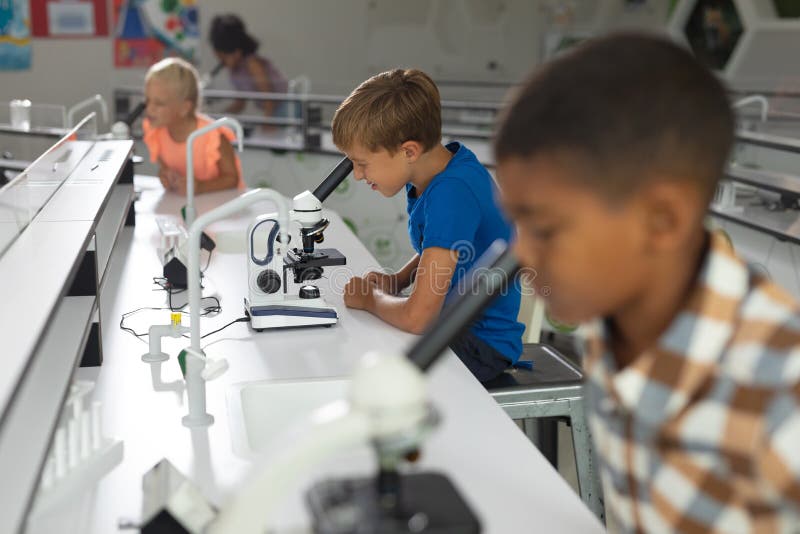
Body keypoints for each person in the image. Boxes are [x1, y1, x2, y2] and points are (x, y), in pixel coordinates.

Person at [494, 32, 800, 531]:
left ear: (662, 220)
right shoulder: (610, 322)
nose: (522, 255)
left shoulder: (781, 395)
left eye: (545, 229)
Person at [332, 68, 524, 382]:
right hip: (456, 326)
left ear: (409, 151)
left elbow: (418, 318)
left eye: (362, 163)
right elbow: (446, 246)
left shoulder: (452, 192)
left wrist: (370, 299)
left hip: (477, 345)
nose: (356, 175)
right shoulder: (446, 169)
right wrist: (397, 280)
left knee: (362, 367)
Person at [143, 57, 242, 194]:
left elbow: (232, 179)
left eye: (159, 103)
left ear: (184, 108)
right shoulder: (156, 132)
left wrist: (200, 187)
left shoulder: (213, 136)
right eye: (147, 100)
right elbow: (166, 167)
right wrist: (165, 175)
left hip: (222, 208)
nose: (149, 109)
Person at [209, 14, 290, 119]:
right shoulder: (235, 71)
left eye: (223, 57)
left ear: (236, 52)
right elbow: (240, 103)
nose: (222, 62)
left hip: (284, 109)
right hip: (272, 111)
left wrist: (268, 123)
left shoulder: (253, 64)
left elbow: (269, 98)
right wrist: (217, 118)